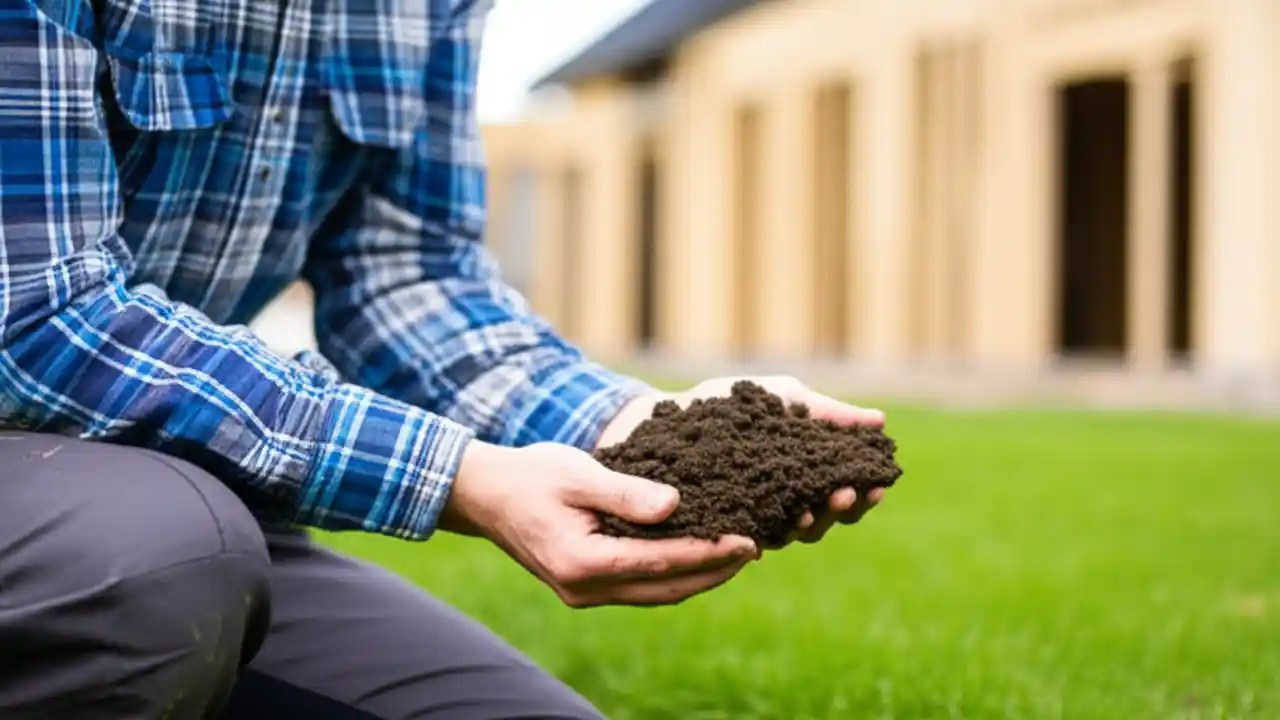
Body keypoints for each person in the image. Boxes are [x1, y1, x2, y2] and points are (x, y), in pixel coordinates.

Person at [0, 1, 887, 717]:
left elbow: (403, 275)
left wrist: (648, 433)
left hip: (189, 492)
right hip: (117, 511)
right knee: (160, 552)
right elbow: (35, 314)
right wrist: (460, 476)